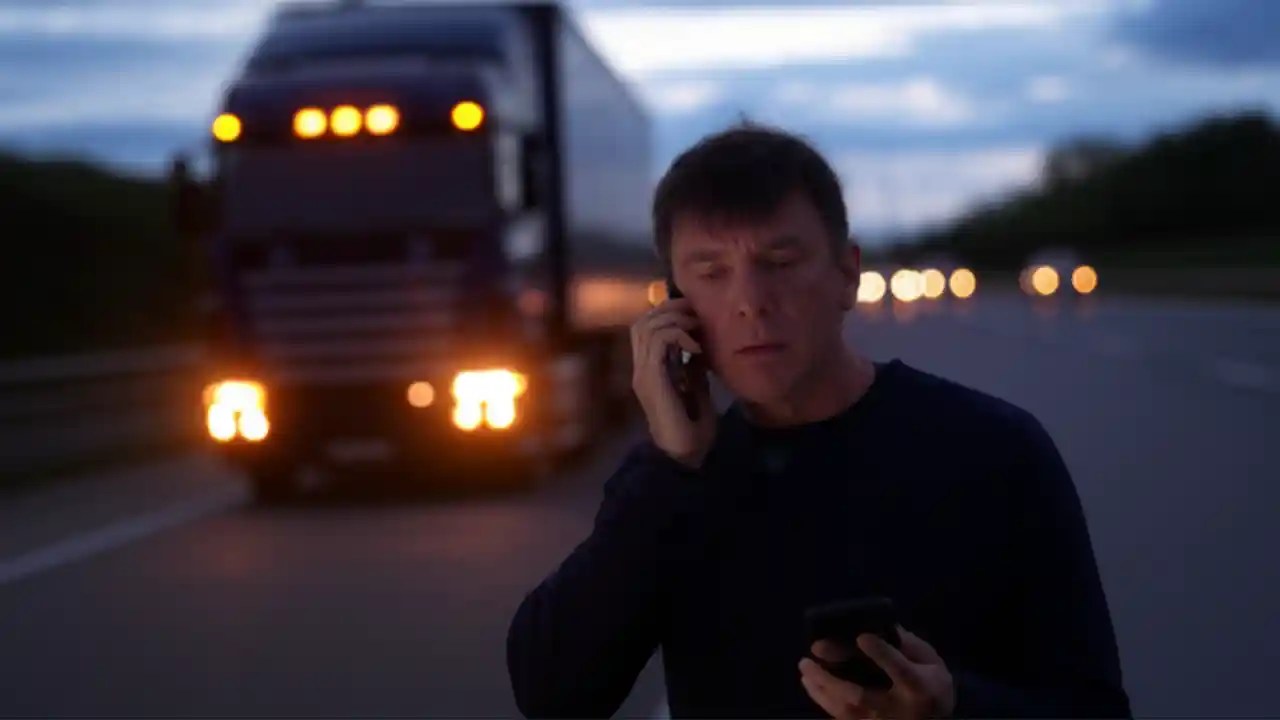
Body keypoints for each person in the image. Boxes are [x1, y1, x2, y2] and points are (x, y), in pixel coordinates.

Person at [505, 125, 1131, 719]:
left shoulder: (994, 449)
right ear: (675, 304)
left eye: (779, 260)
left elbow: (1094, 706)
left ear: (847, 273)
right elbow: (553, 694)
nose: (751, 300)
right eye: (712, 272)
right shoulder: (675, 484)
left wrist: (951, 708)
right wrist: (671, 464)